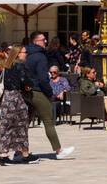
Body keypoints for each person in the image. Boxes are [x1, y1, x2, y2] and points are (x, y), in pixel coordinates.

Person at [24, 32, 76, 160]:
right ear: (36, 42)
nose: (45, 42)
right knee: (48, 120)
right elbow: (43, 78)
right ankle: (59, 151)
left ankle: (21, 151)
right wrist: (49, 93)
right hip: (37, 90)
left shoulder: (26, 55)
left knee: (25, 123)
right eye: (43, 40)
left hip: (26, 92)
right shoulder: (40, 56)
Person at [0, 46, 35, 164]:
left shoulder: (8, 66)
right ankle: (24, 154)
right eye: (24, 52)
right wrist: (29, 85)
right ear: (18, 54)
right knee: (21, 125)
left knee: (6, 125)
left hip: (7, 98)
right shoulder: (20, 65)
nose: (26, 54)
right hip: (16, 98)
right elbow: (26, 81)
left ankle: (4, 155)